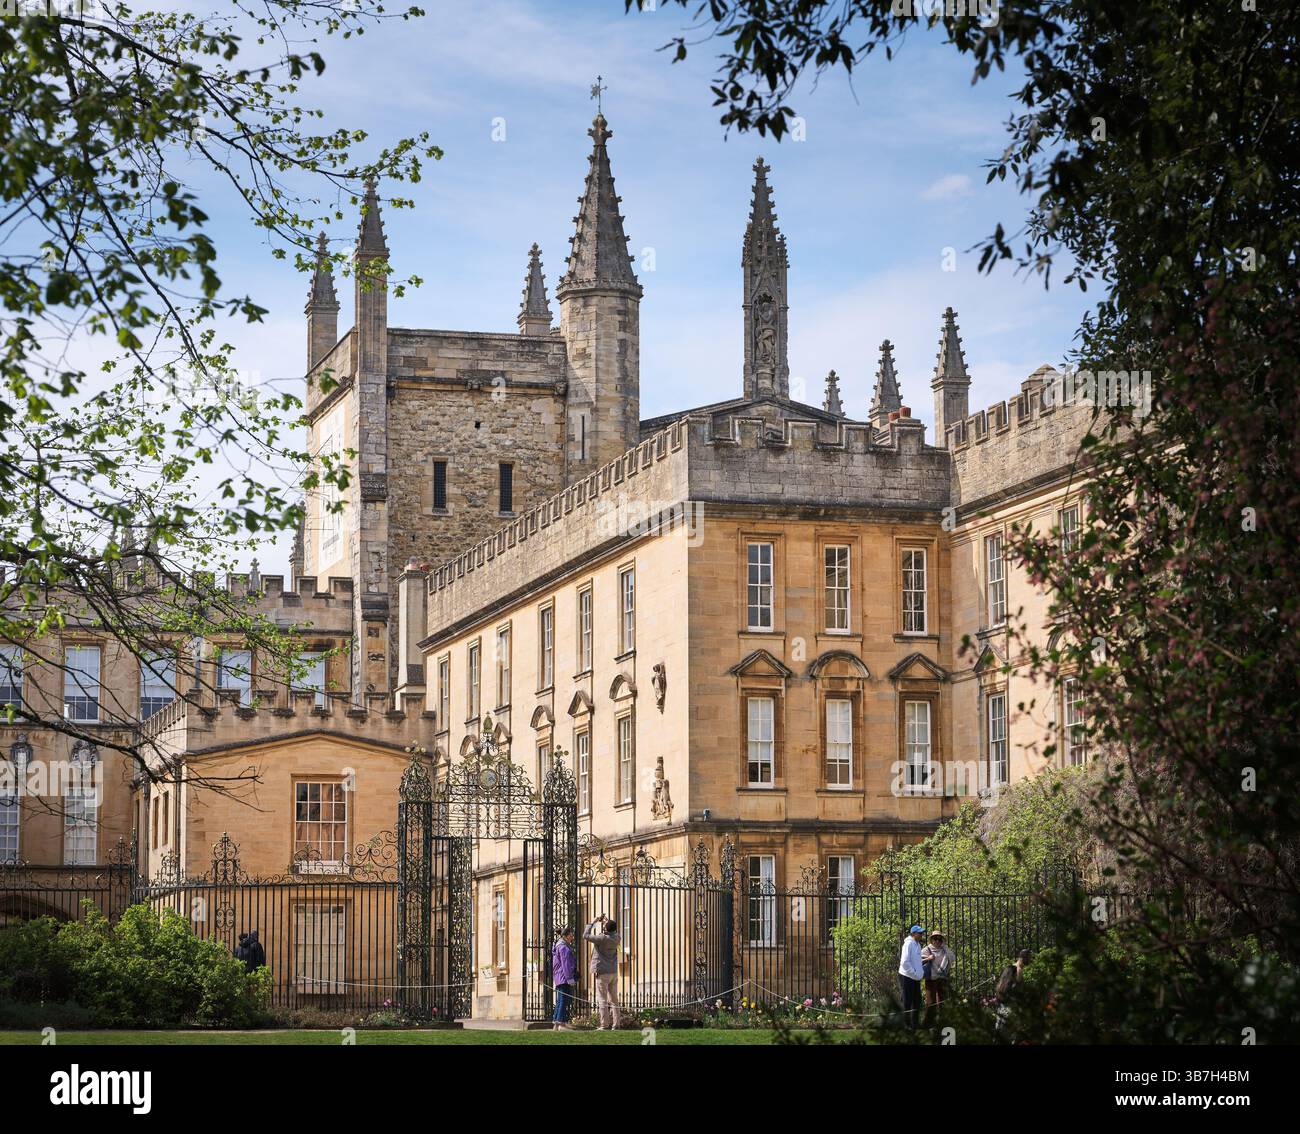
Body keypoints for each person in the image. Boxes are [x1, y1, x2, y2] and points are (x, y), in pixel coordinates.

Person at [584, 914, 621, 1030]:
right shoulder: (617, 937)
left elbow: (585, 935)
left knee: (602, 999)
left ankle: (604, 1025)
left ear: (605, 929)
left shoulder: (602, 938)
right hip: (613, 972)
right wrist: (606, 923)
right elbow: (612, 930)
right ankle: (616, 1024)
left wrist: (593, 922)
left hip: (602, 972)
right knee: (614, 999)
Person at [897, 924, 926, 1028]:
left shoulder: (917, 944)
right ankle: (906, 1024)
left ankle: (915, 1024)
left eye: (922, 933)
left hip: (915, 977)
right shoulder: (908, 944)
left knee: (917, 1001)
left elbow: (917, 961)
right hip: (906, 976)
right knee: (907, 1001)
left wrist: (920, 973)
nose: (922, 935)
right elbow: (904, 962)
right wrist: (914, 973)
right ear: (913, 934)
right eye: (920, 933)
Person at [921, 931, 955, 1021]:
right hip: (931, 979)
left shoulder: (944, 949)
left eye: (939, 939)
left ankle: (942, 1020)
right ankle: (928, 1022)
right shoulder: (926, 950)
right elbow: (918, 961)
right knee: (930, 1002)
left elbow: (952, 958)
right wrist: (928, 958)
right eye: (935, 939)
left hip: (942, 978)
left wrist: (945, 947)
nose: (937, 941)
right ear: (931, 940)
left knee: (942, 1000)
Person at [552, 926, 577, 1030]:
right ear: (566, 936)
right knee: (563, 1000)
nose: (572, 937)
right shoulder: (563, 947)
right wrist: (570, 978)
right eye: (571, 935)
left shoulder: (561, 946)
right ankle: (560, 1023)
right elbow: (565, 964)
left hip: (560, 977)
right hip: (564, 977)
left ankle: (557, 1023)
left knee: (561, 1000)